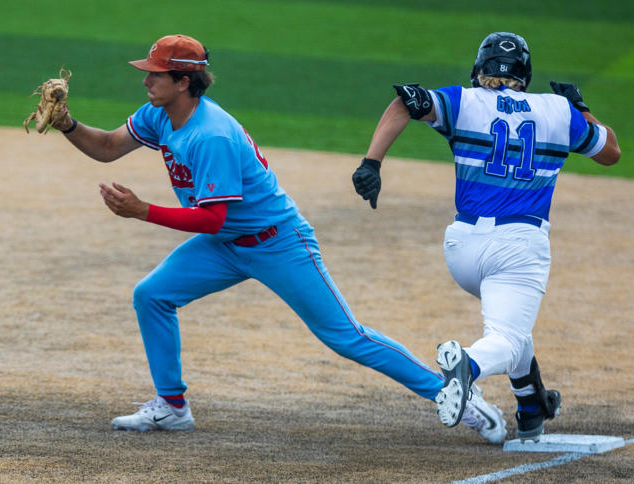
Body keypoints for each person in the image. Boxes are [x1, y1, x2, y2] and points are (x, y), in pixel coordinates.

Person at [43, 34, 507, 442]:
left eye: (156, 75)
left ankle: (456, 395)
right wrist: (67, 124)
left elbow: (210, 218)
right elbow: (106, 148)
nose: (146, 81)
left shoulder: (212, 136)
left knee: (346, 336)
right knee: (152, 296)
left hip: (277, 243)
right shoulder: (158, 115)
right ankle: (172, 408)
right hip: (227, 245)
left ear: (184, 82)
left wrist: (143, 211)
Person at [352, 32, 620, 442]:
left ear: (480, 68)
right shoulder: (559, 111)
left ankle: (532, 407)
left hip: (461, 249)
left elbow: (406, 101)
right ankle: (467, 367)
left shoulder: (463, 100)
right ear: (525, 74)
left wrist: (372, 162)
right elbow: (611, 152)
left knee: (512, 324)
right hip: (518, 247)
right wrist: (584, 109)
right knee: (508, 340)